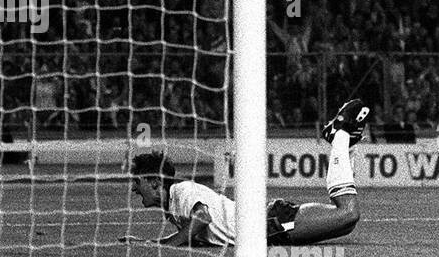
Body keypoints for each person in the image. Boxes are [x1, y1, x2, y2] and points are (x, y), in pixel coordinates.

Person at [130, 99, 369, 248]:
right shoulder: (172, 206)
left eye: (137, 182)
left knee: (348, 214)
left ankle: (339, 135)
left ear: (153, 182)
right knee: (345, 225)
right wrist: (151, 242)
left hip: (268, 223)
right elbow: (194, 232)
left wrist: (169, 244)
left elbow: (203, 217)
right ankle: (340, 138)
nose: (133, 188)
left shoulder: (181, 191)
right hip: (267, 227)